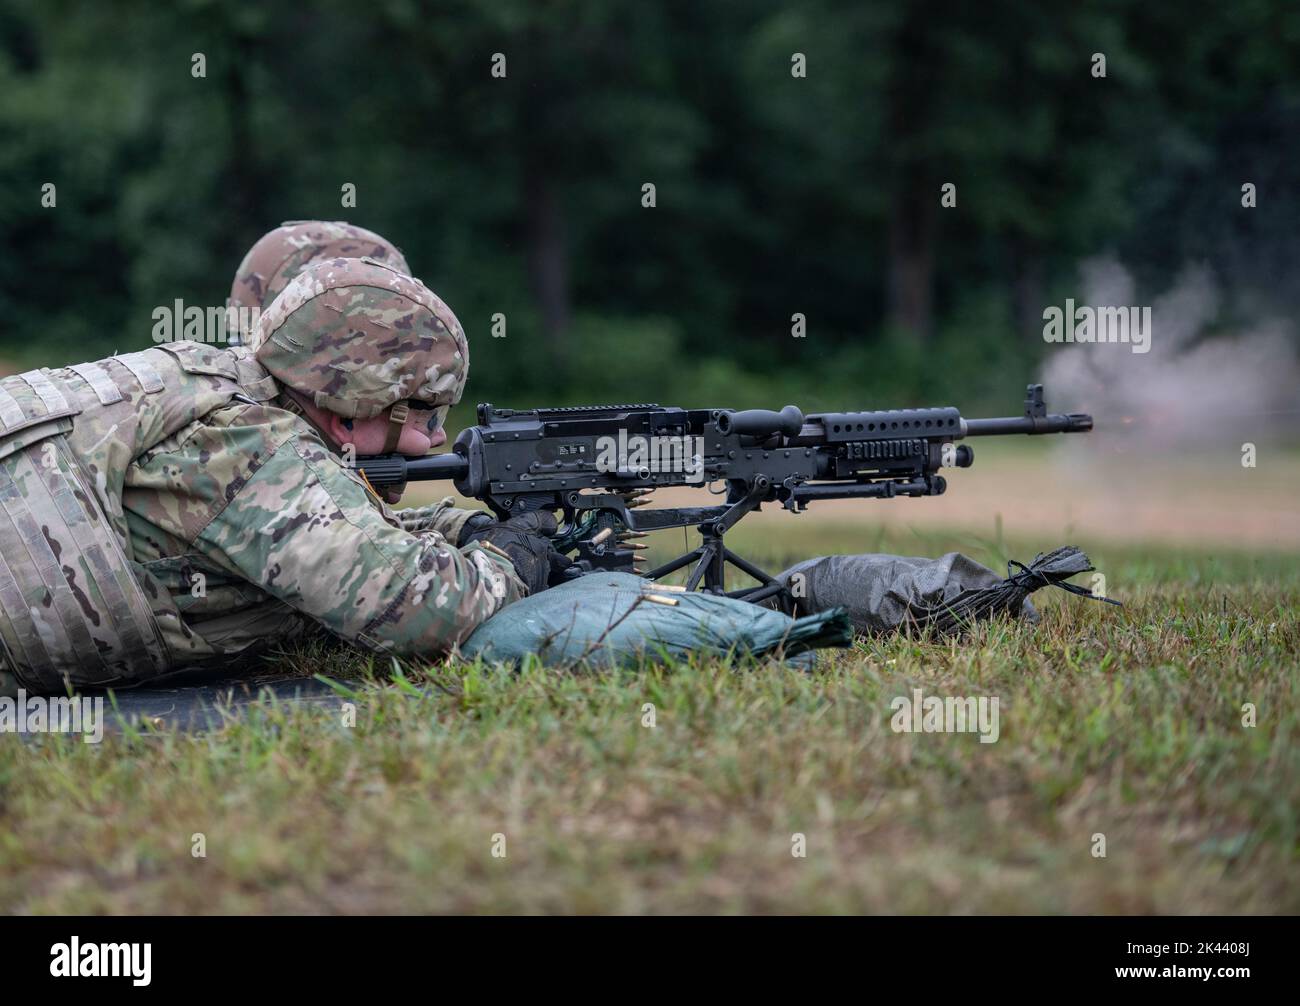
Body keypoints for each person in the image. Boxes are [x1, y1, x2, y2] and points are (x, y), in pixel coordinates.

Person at [0, 256, 558, 695]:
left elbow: (315, 533)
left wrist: (453, 528)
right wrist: (509, 562)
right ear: (349, 412)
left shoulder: (216, 389)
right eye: (426, 414)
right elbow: (418, 610)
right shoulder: (252, 446)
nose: (437, 438)